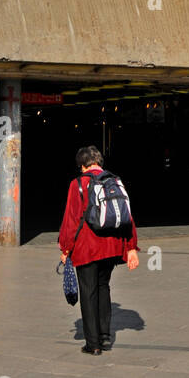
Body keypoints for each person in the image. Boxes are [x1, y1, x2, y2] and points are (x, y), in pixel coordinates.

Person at [58, 146, 139, 354]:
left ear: (82, 165)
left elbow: (70, 219)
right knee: (103, 287)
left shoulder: (78, 184)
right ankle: (104, 336)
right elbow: (127, 216)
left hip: (87, 248)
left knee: (88, 291)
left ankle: (92, 343)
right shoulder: (114, 181)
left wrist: (65, 249)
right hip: (111, 246)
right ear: (98, 162)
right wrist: (131, 248)